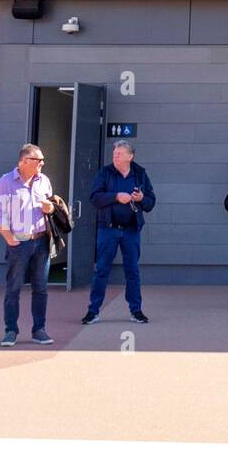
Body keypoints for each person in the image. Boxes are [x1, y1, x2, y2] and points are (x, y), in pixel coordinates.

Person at [82, 139, 156, 325]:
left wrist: (141, 198)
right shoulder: (105, 173)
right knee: (101, 270)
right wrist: (115, 196)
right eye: (114, 153)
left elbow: (151, 202)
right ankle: (93, 311)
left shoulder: (140, 174)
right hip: (108, 230)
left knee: (132, 271)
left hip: (131, 231)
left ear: (130, 157)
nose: (115, 156)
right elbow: (94, 197)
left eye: (119, 153)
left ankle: (136, 310)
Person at [0, 144, 56, 347]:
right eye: (39, 160)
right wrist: (9, 238)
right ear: (24, 161)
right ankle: (11, 330)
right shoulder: (6, 182)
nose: (43, 164)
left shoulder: (44, 181)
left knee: (41, 288)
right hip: (19, 242)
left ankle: (39, 330)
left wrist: (50, 207)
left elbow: (52, 207)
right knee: (14, 288)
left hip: (41, 241)